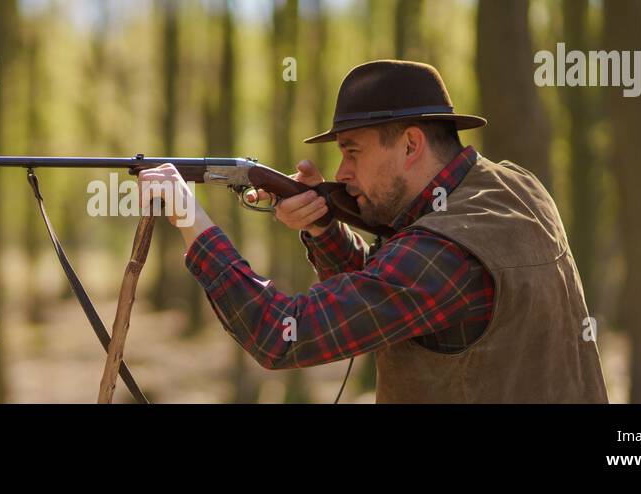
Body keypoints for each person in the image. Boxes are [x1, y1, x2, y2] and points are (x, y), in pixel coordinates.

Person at [139, 60, 608, 403]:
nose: (340, 172)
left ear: (410, 144)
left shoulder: (446, 251)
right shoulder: (517, 188)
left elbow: (280, 336)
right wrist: (325, 230)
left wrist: (190, 219)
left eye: (352, 151)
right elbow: (394, 300)